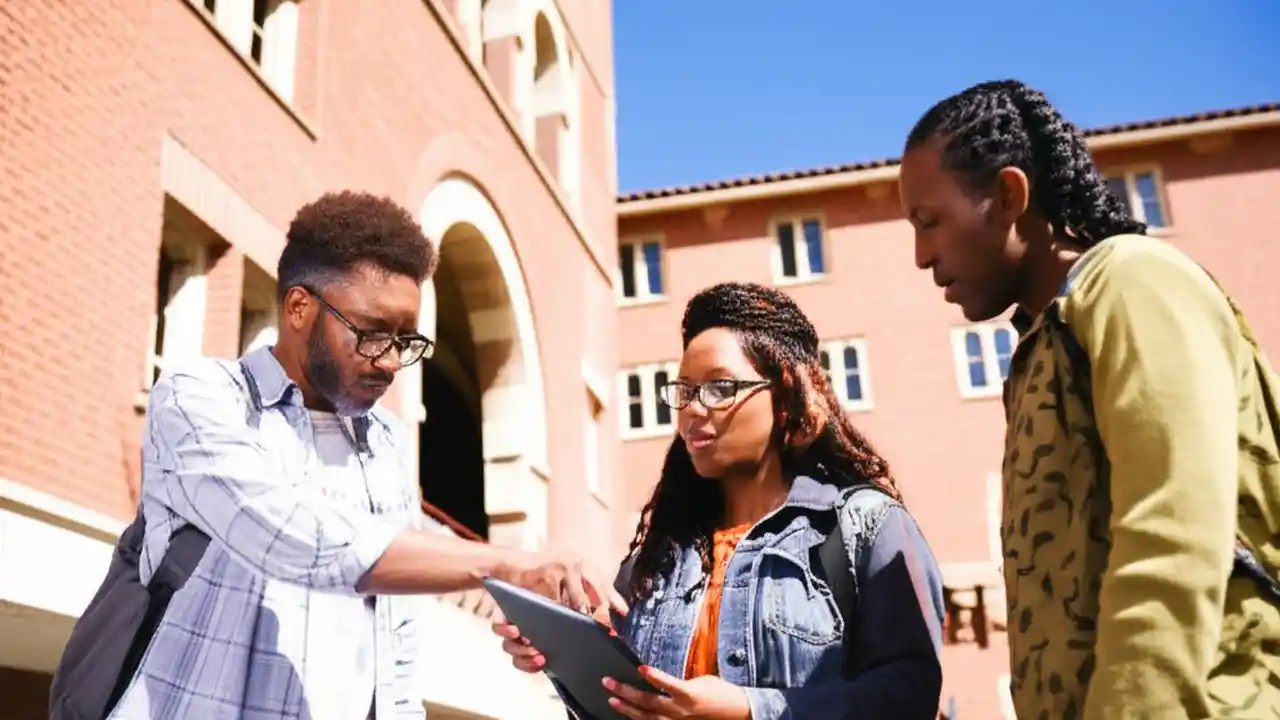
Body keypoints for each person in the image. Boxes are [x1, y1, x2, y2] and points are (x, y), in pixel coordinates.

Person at [109, 191, 617, 720]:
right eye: (374, 334)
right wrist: (508, 563)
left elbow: (394, 643)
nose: (393, 361)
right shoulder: (199, 397)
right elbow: (290, 536)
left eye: (405, 339)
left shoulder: (387, 441)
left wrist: (532, 603)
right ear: (300, 308)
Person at [898, 79, 1280, 717]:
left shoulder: (1133, 282)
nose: (919, 256)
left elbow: (1171, 531)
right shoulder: (1041, 345)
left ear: (1008, 195)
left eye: (929, 221)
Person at [495, 282, 945, 720]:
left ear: (784, 393)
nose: (692, 408)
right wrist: (562, 659)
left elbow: (910, 694)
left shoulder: (864, 527)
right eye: (685, 391)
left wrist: (749, 710)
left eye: (719, 388)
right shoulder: (656, 560)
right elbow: (625, 704)